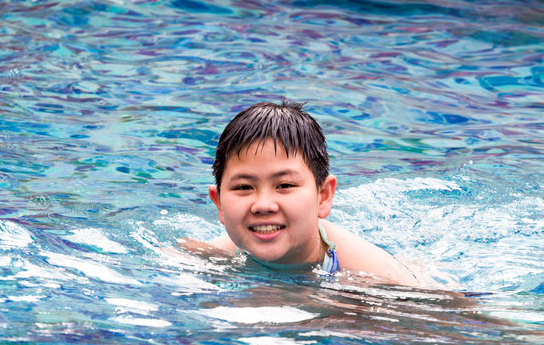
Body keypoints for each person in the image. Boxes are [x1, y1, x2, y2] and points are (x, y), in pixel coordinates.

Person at [179, 100, 421, 287]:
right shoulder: (208, 257)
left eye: (284, 185)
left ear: (323, 196)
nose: (263, 205)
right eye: (243, 187)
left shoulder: (376, 277)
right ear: (219, 203)